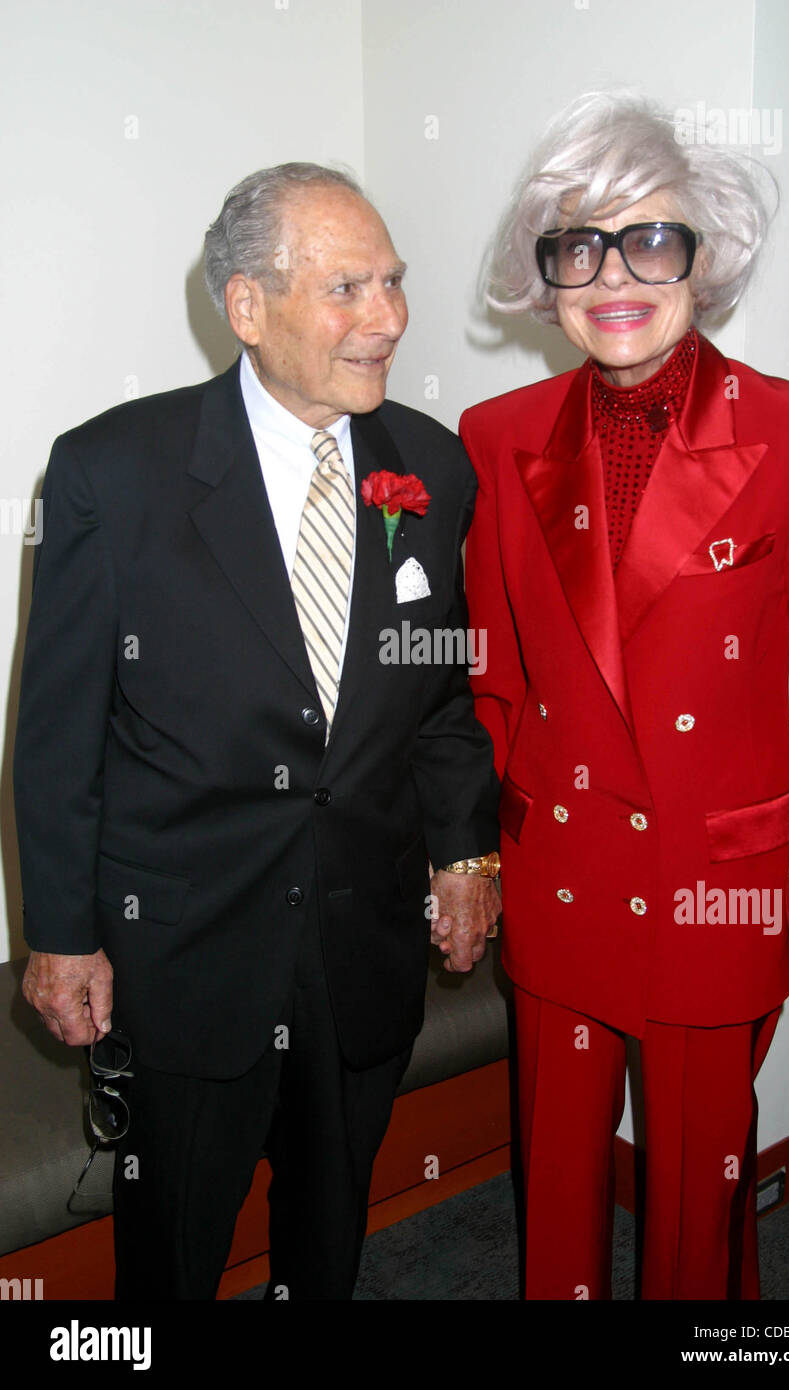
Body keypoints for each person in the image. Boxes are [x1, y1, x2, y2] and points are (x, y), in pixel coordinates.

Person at [14, 162, 501, 1301]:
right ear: (246, 305)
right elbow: (57, 729)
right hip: (185, 947)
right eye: (346, 288)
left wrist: (464, 848)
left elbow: (436, 692)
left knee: (330, 1223)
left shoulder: (428, 464)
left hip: (361, 936)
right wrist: (63, 933)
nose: (387, 318)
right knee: (174, 1240)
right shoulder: (109, 473)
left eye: (392, 282)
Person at [460, 92, 789, 1301]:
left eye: (650, 239)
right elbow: (491, 675)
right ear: (547, 273)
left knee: (700, 1190)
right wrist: (476, 859)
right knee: (557, 1178)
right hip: (562, 870)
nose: (612, 276)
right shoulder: (494, 434)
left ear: (703, 254)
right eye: (576, 246)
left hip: (717, 883)